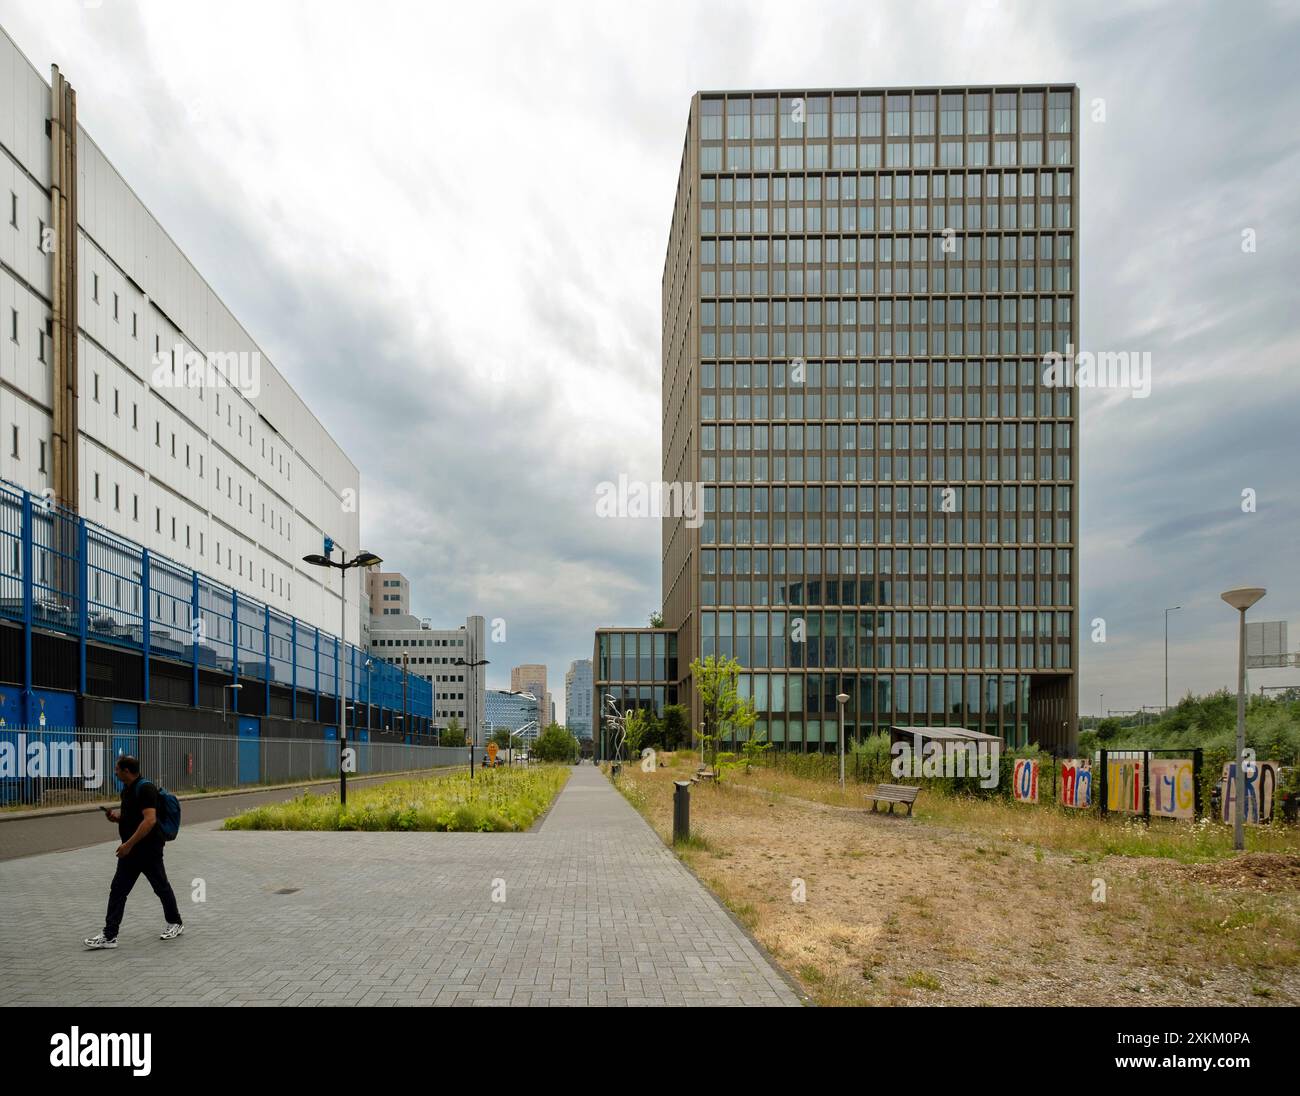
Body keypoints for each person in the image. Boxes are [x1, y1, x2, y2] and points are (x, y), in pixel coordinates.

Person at [83, 756, 183, 950]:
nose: (115, 772)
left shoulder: (145, 789)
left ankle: (175, 923)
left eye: (117, 769)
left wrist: (128, 844)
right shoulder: (127, 790)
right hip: (131, 852)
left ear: (127, 771)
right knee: (118, 890)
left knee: (161, 887)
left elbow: (150, 820)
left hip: (148, 850)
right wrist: (116, 818)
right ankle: (109, 936)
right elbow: (132, 817)